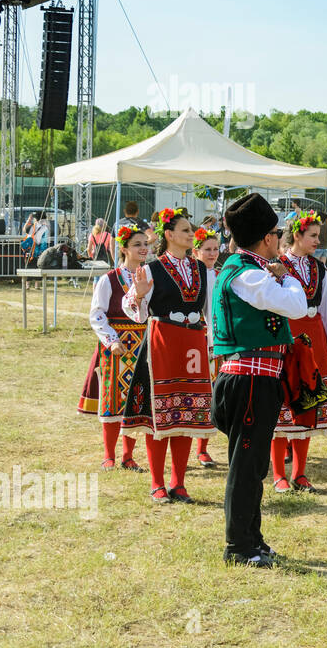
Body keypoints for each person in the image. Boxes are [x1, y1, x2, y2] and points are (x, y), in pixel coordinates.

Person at [211, 193, 308, 567]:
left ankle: (253, 539)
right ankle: (238, 545)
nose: (281, 240)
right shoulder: (249, 273)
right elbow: (299, 306)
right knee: (246, 466)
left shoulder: (242, 269)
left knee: (253, 465)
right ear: (267, 238)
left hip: (254, 377)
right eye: (278, 233)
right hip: (250, 379)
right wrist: (287, 275)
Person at [121, 207, 214, 505]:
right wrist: (139, 294)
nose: (191, 234)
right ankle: (157, 482)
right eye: (186, 230)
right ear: (170, 235)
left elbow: (210, 310)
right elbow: (133, 311)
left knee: (189, 410)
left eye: (191, 230)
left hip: (192, 342)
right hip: (162, 339)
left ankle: (179, 482)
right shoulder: (151, 269)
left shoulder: (202, 269)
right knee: (159, 411)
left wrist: (212, 342)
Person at [270, 212, 327, 493]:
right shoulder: (277, 265)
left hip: (313, 338)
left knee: (309, 405)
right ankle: (278, 474)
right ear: (296, 236)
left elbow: (326, 309)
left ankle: (300, 474)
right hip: (287, 336)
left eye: (318, 236)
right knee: (283, 408)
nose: (317, 241)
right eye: (312, 235)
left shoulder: (319, 268)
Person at [82, 224, 148, 472]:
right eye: (137, 245)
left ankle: (128, 455)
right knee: (112, 399)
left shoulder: (147, 276)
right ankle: (109, 454)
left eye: (145, 244)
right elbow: (97, 314)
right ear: (124, 249)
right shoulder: (108, 279)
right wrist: (111, 340)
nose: (143, 249)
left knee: (136, 399)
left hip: (142, 344)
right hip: (117, 345)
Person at [193, 226, 223, 467]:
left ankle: (203, 447)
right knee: (197, 391)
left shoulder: (221, 274)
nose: (213, 253)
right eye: (207, 249)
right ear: (196, 251)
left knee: (212, 392)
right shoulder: (194, 275)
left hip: (218, 341)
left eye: (216, 249)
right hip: (196, 339)